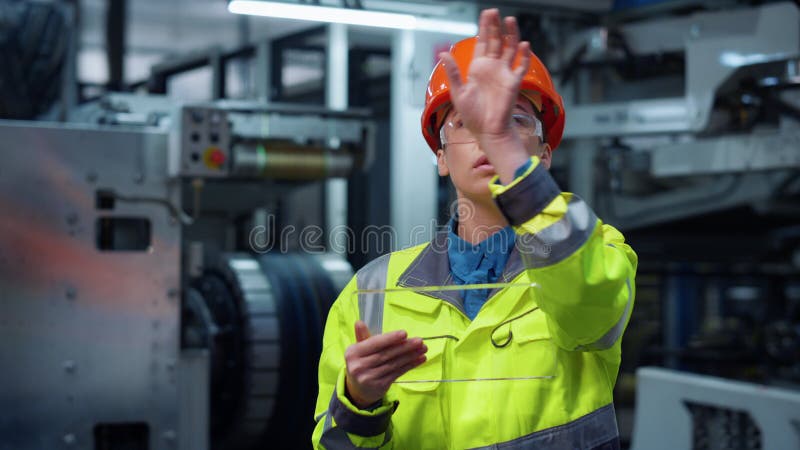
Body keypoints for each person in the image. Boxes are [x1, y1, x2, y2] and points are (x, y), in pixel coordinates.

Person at [312, 8, 637, 450]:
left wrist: (503, 146)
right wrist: (358, 402)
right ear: (442, 158)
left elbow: (586, 304)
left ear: (543, 156)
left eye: (514, 120)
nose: (487, 133)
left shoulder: (597, 253)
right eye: (466, 122)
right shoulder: (369, 293)